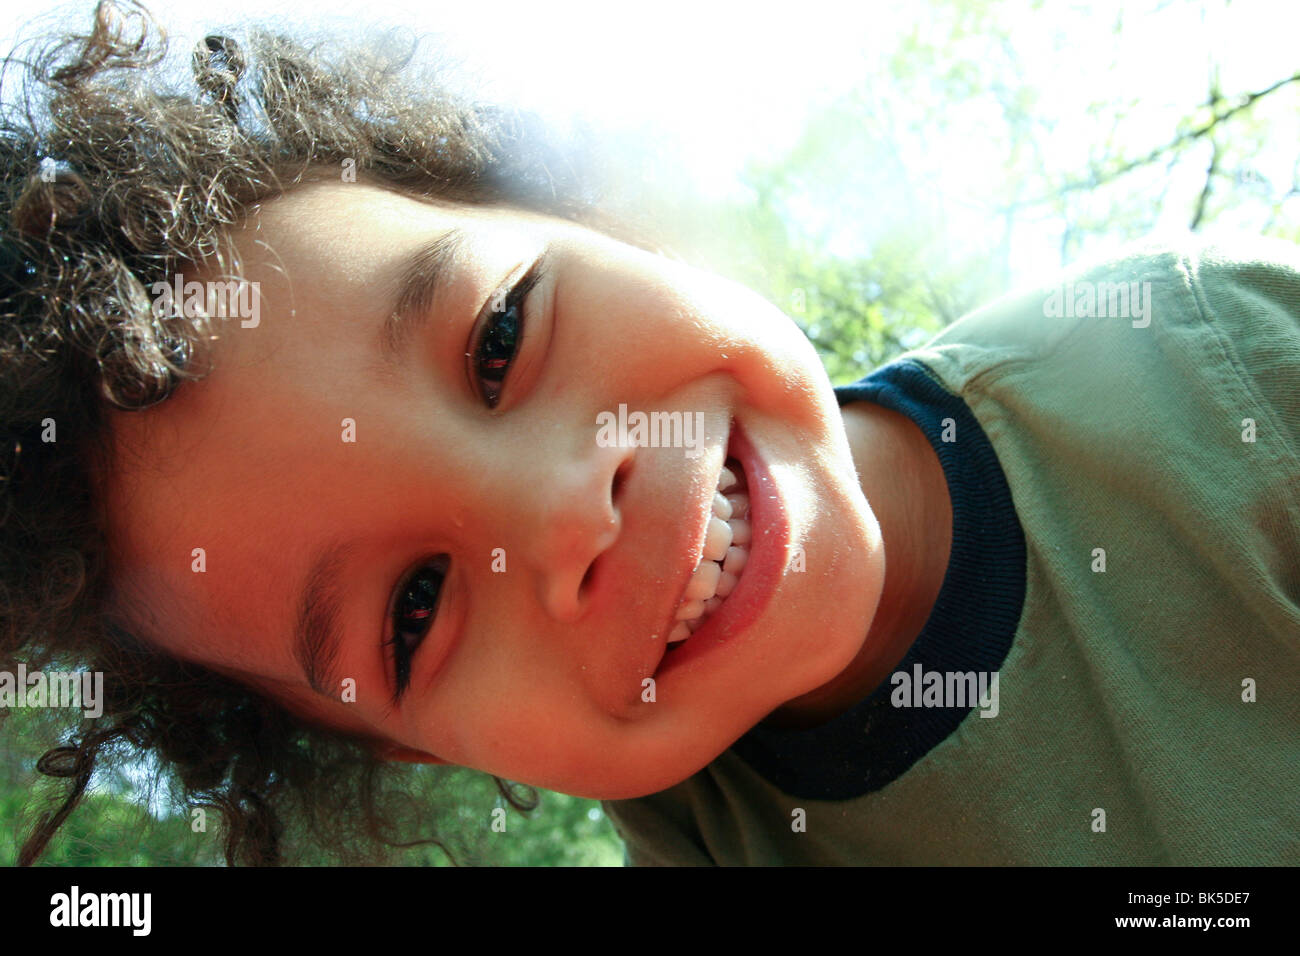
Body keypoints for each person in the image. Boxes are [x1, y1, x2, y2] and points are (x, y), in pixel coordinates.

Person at [3, 1, 1297, 867]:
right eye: (415, 609)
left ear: (606, 225)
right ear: (419, 747)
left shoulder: (1215, 366)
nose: (568, 515)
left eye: (501, 338)